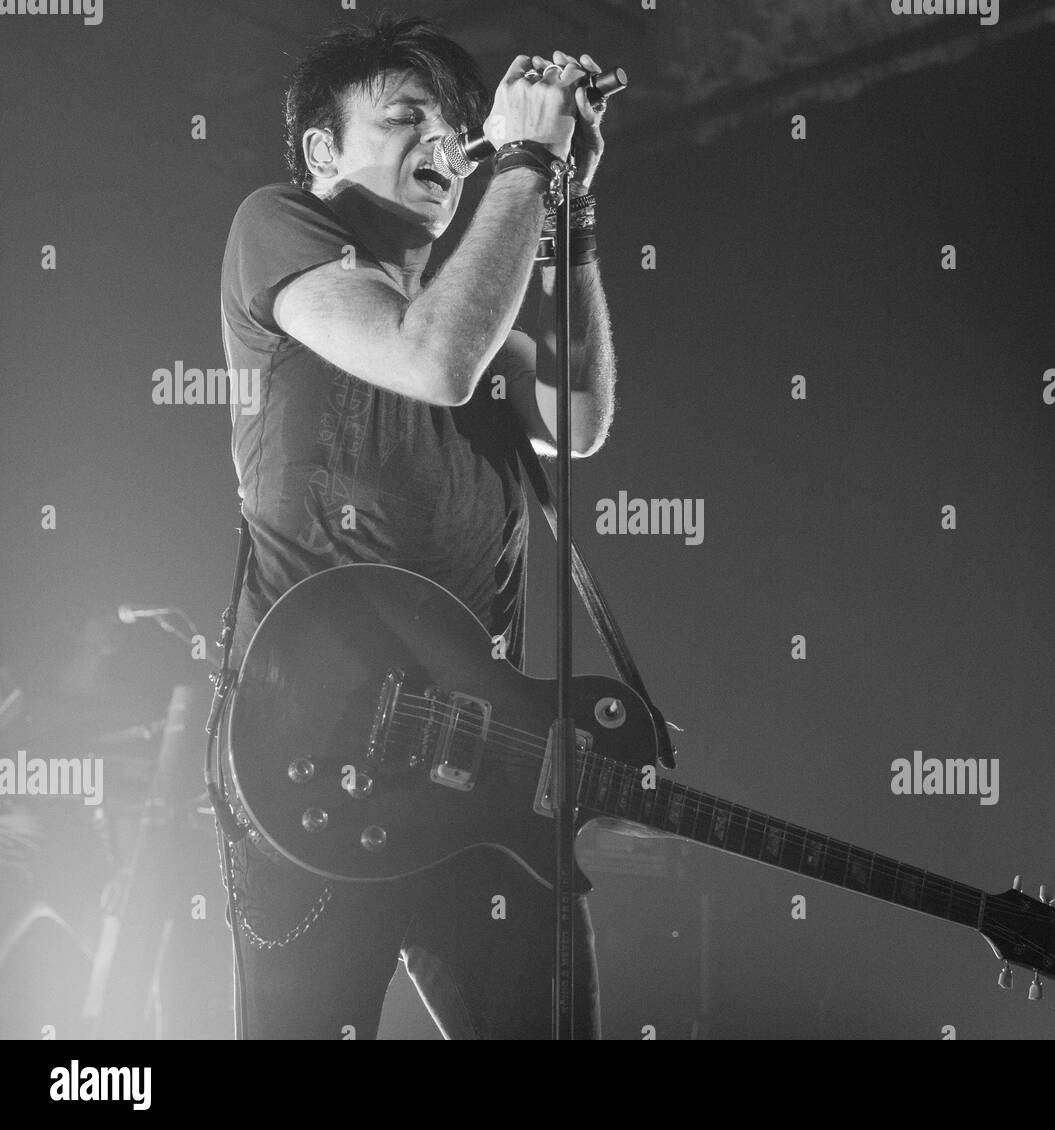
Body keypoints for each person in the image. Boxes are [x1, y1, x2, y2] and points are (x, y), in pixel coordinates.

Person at [216, 13, 616, 1039]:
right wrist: (523, 156)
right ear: (323, 153)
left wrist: (565, 207)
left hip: (473, 764)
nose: (444, 142)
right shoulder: (279, 225)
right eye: (406, 120)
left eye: (458, 126)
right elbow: (429, 357)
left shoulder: (471, 309)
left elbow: (579, 415)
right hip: (312, 753)